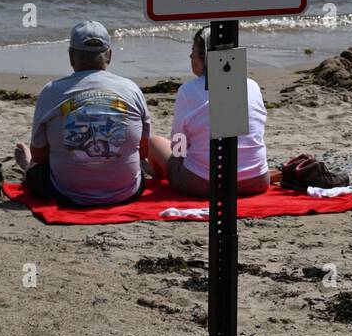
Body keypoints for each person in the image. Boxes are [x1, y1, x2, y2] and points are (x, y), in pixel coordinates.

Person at [14, 20, 151, 208]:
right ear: (109, 55)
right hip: (126, 192)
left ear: (71, 56)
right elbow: (143, 152)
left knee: (35, 169)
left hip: (66, 193)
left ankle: (26, 164)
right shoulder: (131, 89)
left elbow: (40, 156)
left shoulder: (51, 91)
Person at [148, 29, 271, 198]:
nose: (190, 58)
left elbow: (178, 146)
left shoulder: (188, 90)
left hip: (204, 182)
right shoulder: (252, 85)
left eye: (193, 53)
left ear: (203, 57)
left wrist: (183, 159)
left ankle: (160, 178)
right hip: (256, 180)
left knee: (155, 143)